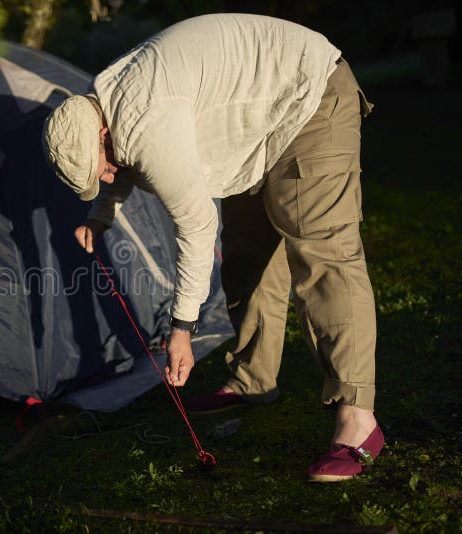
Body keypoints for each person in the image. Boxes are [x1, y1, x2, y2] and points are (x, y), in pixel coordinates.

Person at [41, 13, 384, 481]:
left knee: (322, 252)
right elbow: (119, 159)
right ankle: (253, 379)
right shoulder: (104, 98)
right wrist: (101, 215)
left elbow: (196, 226)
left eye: (98, 168)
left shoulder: (147, 121)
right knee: (246, 255)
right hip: (258, 128)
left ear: (102, 133)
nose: (104, 177)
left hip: (309, 93)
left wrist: (181, 328)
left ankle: (357, 417)